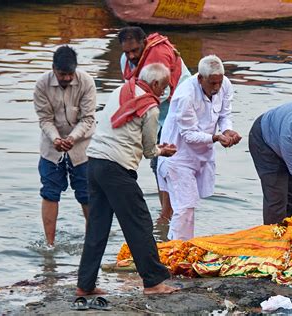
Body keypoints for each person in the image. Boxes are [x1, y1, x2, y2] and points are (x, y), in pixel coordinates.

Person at [76, 63, 179, 296]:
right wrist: (164, 150)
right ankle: (153, 282)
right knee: (139, 223)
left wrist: (153, 148)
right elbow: (150, 150)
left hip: (94, 162)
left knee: (97, 227)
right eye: (163, 87)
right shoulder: (150, 107)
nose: (164, 92)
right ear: (154, 84)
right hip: (116, 168)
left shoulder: (122, 90)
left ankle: (85, 284)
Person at [157, 55, 241, 241]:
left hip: (201, 154)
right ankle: (175, 250)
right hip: (177, 155)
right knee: (184, 207)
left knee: (189, 206)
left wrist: (228, 130)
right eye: (212, 83)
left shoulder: (224, 84)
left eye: (219, 82)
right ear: (200, 79)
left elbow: (224, 114)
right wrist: (216, 137)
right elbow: (188, 135)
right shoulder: (185, 95)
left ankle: (176, 245)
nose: (217, 87)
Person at [118, 26, 191, 225]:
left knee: (166, 164)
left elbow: (159, 95)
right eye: (127, 52)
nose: (131, 56)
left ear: (144, 44)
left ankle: (167, 215)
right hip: (156, 114)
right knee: (157, 165)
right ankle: (166, 211)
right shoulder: (126, 61)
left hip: (177, 108)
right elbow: (133, 92)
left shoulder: (158, 58)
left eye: (135, 50)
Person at [33, 45, 96, 247]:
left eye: (70, 74)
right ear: (53, 69)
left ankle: (91, 242)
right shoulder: (42, 84)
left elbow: (88, 119)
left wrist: (72, 138)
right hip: (52, 147)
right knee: (50, 191)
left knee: (86, 193)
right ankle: (50, 245)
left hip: (82, 147)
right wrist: (56, 139)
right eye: (62, 74)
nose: (67, 78)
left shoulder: (86, 82)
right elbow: (44, 119)